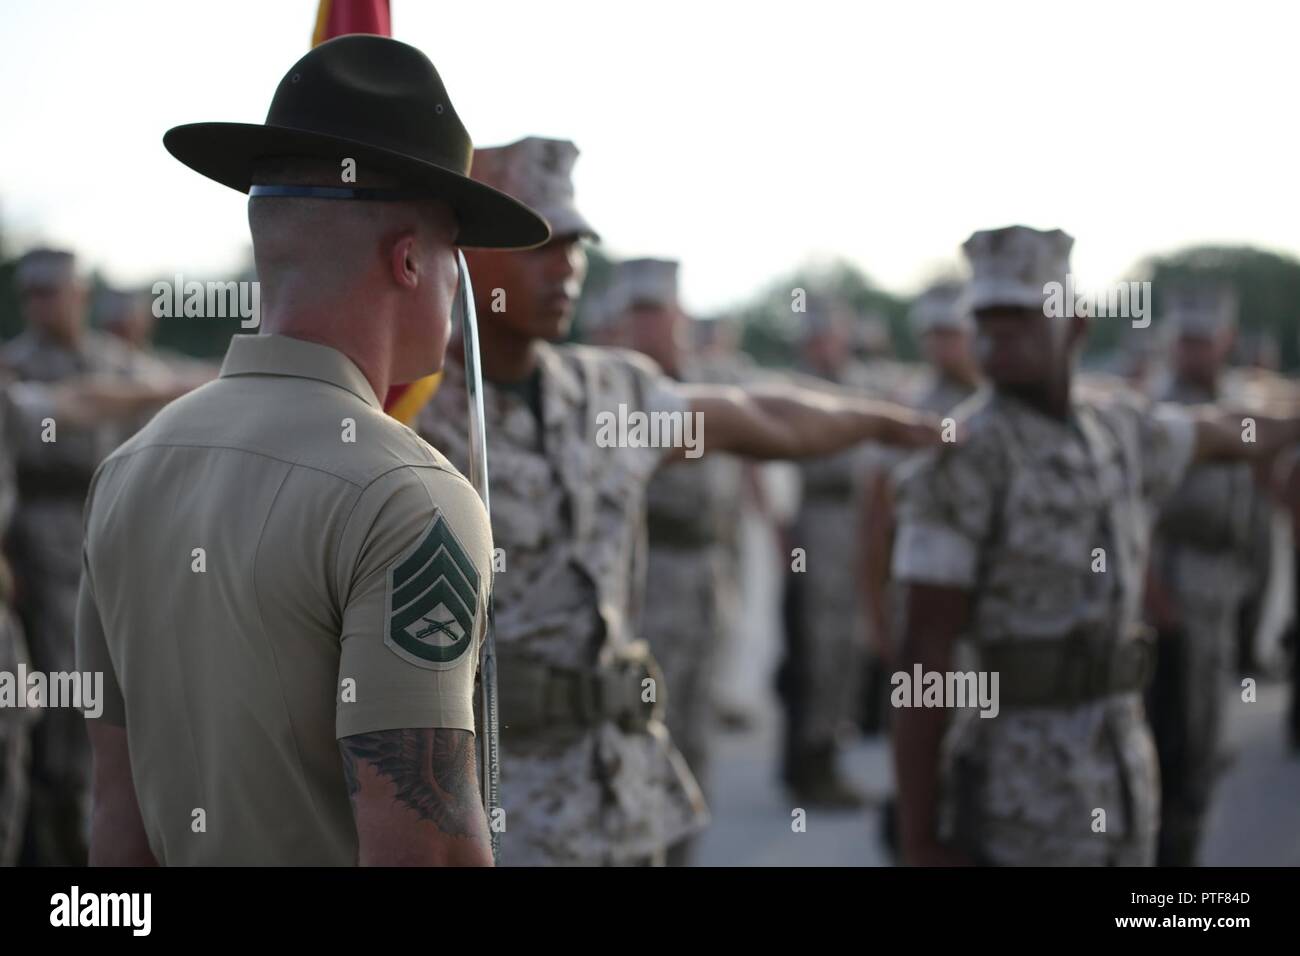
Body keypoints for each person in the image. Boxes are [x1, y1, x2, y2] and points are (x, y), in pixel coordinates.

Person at [75, 34, 550, 866]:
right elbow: (424, 853)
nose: (459, 286)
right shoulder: (407, 495)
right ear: (410, 260)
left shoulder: (131, 468)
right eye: (455, 256)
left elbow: (116, 814)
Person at [417, 136, 942, 865]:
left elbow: (763, 418)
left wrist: (887, 423)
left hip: (615, 792)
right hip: (489, 797)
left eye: (573, 244)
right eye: (539, 243)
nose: (566, 266)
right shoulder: (410, 407)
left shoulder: (611, 394)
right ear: (465, 251)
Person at [890, 225, 1300, 867]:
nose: (999, 332)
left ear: (1074, 324)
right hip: (1016, 791)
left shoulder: (1118, 430)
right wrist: (918, 837)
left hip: (1119, 765)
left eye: (1022, 315)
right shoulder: (964, 457)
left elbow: (1227, 431)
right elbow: (923, 650)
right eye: (987, 316)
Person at [1, 247, 145, 865]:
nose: (38, 301)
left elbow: (164, 386)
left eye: (50, 288)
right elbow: (70, 406)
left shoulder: (119, 363)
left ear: (78, 293)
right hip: (44, 552)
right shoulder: (15, 367)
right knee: (59, 706)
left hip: (114, 537)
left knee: (120, 698)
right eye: (29, 289)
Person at [1144, 282, 1266, 865]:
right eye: (1184, 340)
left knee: (1205, 737)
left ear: (1226, 341)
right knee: (1169, 743)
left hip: (1224, 584)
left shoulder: (1239, 403)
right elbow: (1134, 512)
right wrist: (1152, 592)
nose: (1192, 352)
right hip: (1172, 587)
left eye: (1203, 340)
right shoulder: (1156, 410)